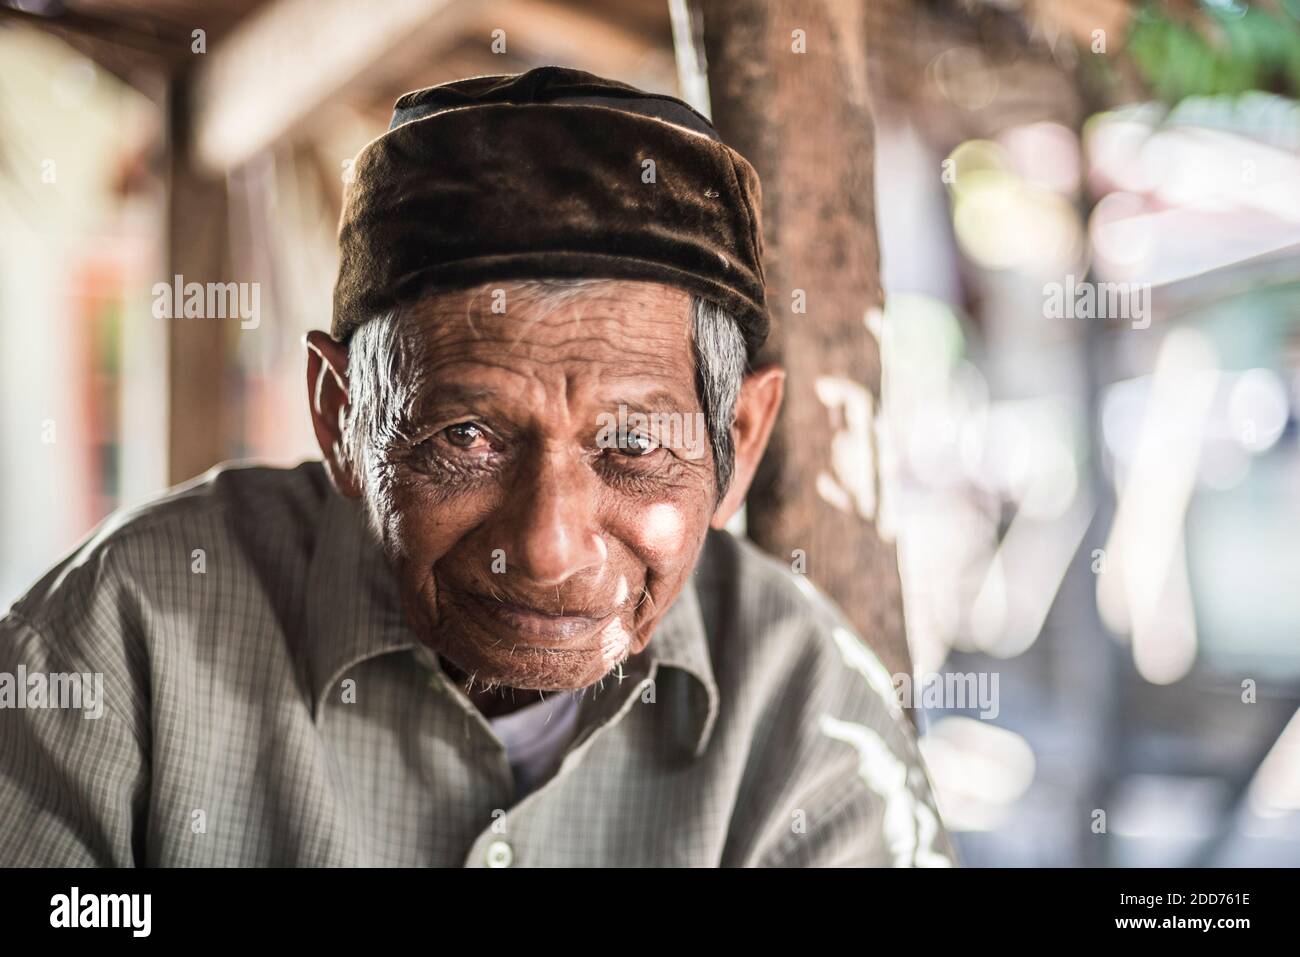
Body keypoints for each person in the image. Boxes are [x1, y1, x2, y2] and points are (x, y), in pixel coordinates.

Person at [0, 67, 953, 867]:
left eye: (632, 446)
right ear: (342, 418)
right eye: (466, 438)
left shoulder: (815, 724)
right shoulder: (120, 642)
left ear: (738, 443)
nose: (544, 549)